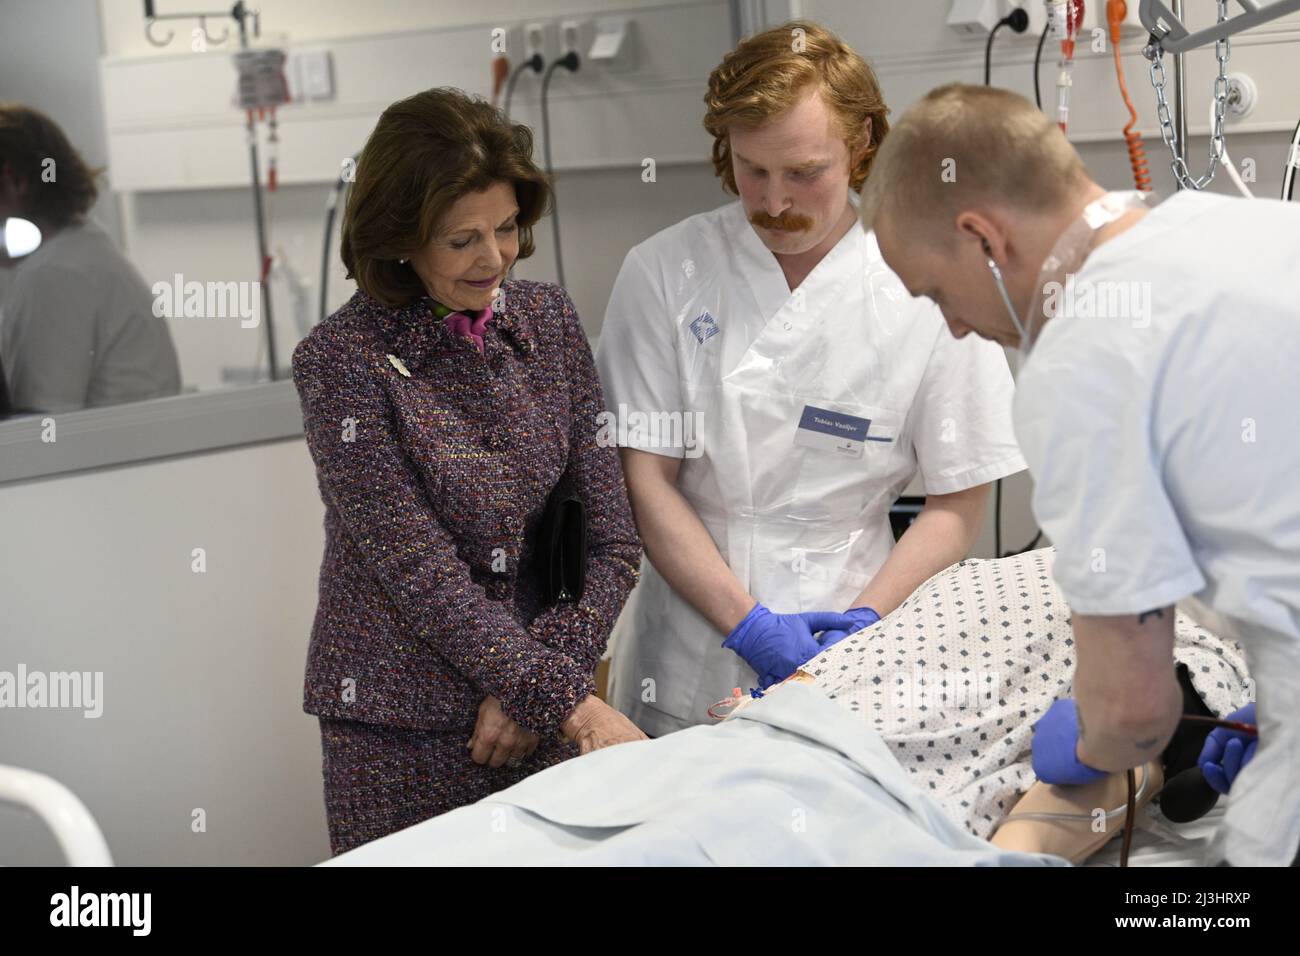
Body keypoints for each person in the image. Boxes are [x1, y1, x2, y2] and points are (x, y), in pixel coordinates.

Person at [860, 82, 1300, 867]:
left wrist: (1096, 740)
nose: (955, 324)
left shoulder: (1080, 363)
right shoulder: (1254, 228)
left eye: (936, 293)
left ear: (983, 239)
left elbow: (1136, 714)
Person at [595, 22, 1026, 736]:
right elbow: (646, 479)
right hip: (688, 646)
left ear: (861, 146)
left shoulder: (924, 282)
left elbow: (959, 496)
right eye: (751, 169)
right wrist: (749, 625)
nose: (772, 201)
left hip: (858, 628)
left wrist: (863, 622)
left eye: (804, 172)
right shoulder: (665, 272)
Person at [291, 87, 646, 856]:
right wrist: (572, 707)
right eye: (462, 241)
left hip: (532, 711)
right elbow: (421, 574)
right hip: (399, 732)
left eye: (509, 228)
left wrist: (542, 682)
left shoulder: (548, 321)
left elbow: (613, 543)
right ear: (398, 240)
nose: (495, 259)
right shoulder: (342, 362)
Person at [0, 103, 179, 413]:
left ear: (16, 180)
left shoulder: (54, 274)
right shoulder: (81, 248)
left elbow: (42, 426)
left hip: (107, 456)